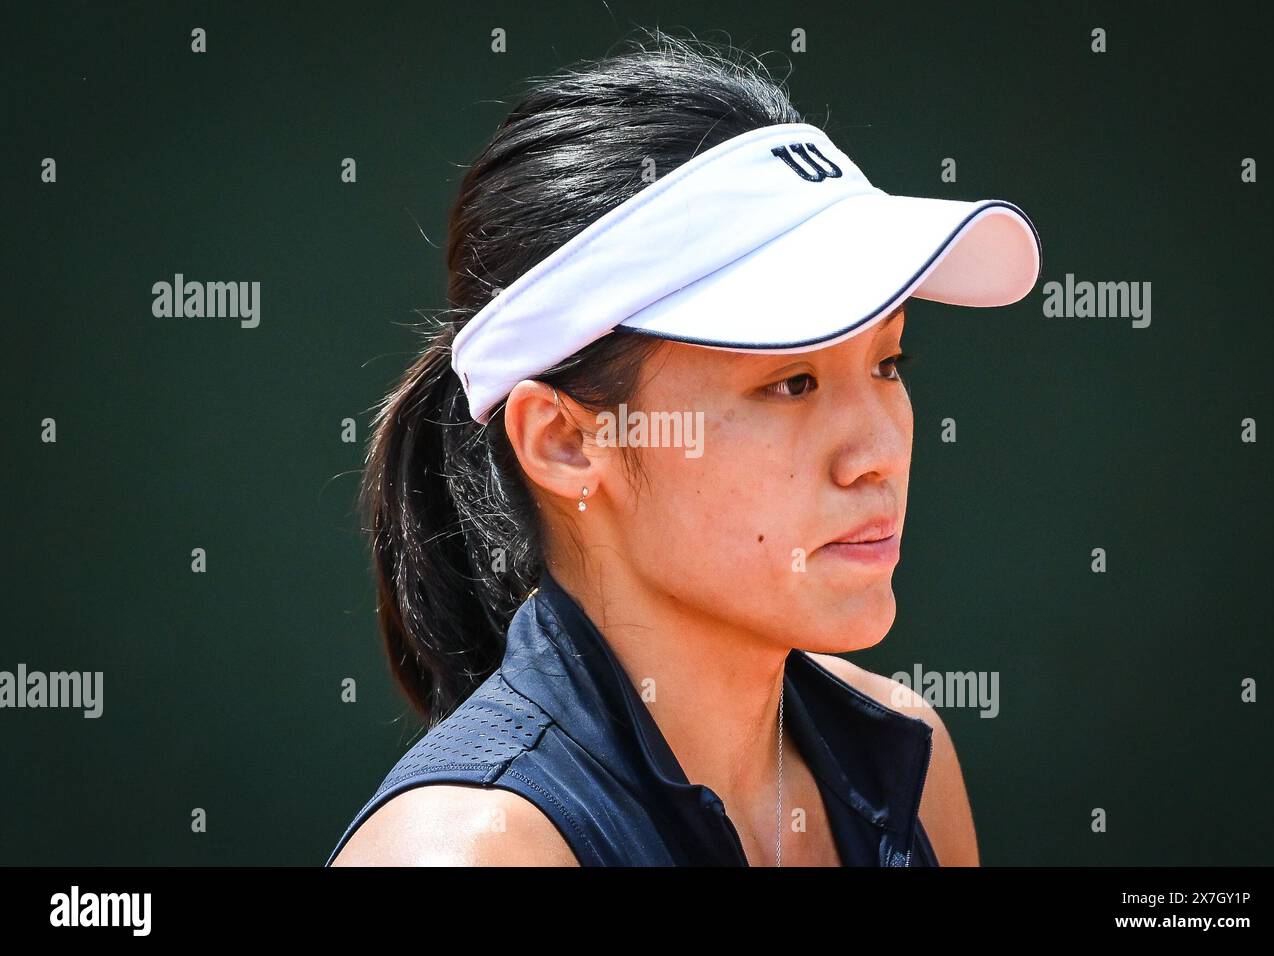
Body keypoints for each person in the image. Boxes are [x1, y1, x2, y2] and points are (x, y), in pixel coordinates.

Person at [326, 29, 1041, 867]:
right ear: (562, 442)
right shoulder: (471, 855)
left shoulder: (910, 759)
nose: (878, 453)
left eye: (889, 361)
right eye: (791, 383)